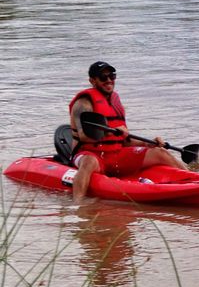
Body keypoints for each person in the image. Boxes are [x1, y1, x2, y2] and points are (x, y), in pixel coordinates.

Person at [68, 61, 187, 202]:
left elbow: (124, 140)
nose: (109, 80)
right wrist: (111, 132)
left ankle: (194, 179)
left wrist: (147, 143)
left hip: (115, 155)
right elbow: (84, 136)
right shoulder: (83, 103)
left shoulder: (115, 102)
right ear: (92, 81)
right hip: (90, 154)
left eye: (112, 76)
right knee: (88, 162)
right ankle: (77, 205)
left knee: (160, 153)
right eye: (103, 77)